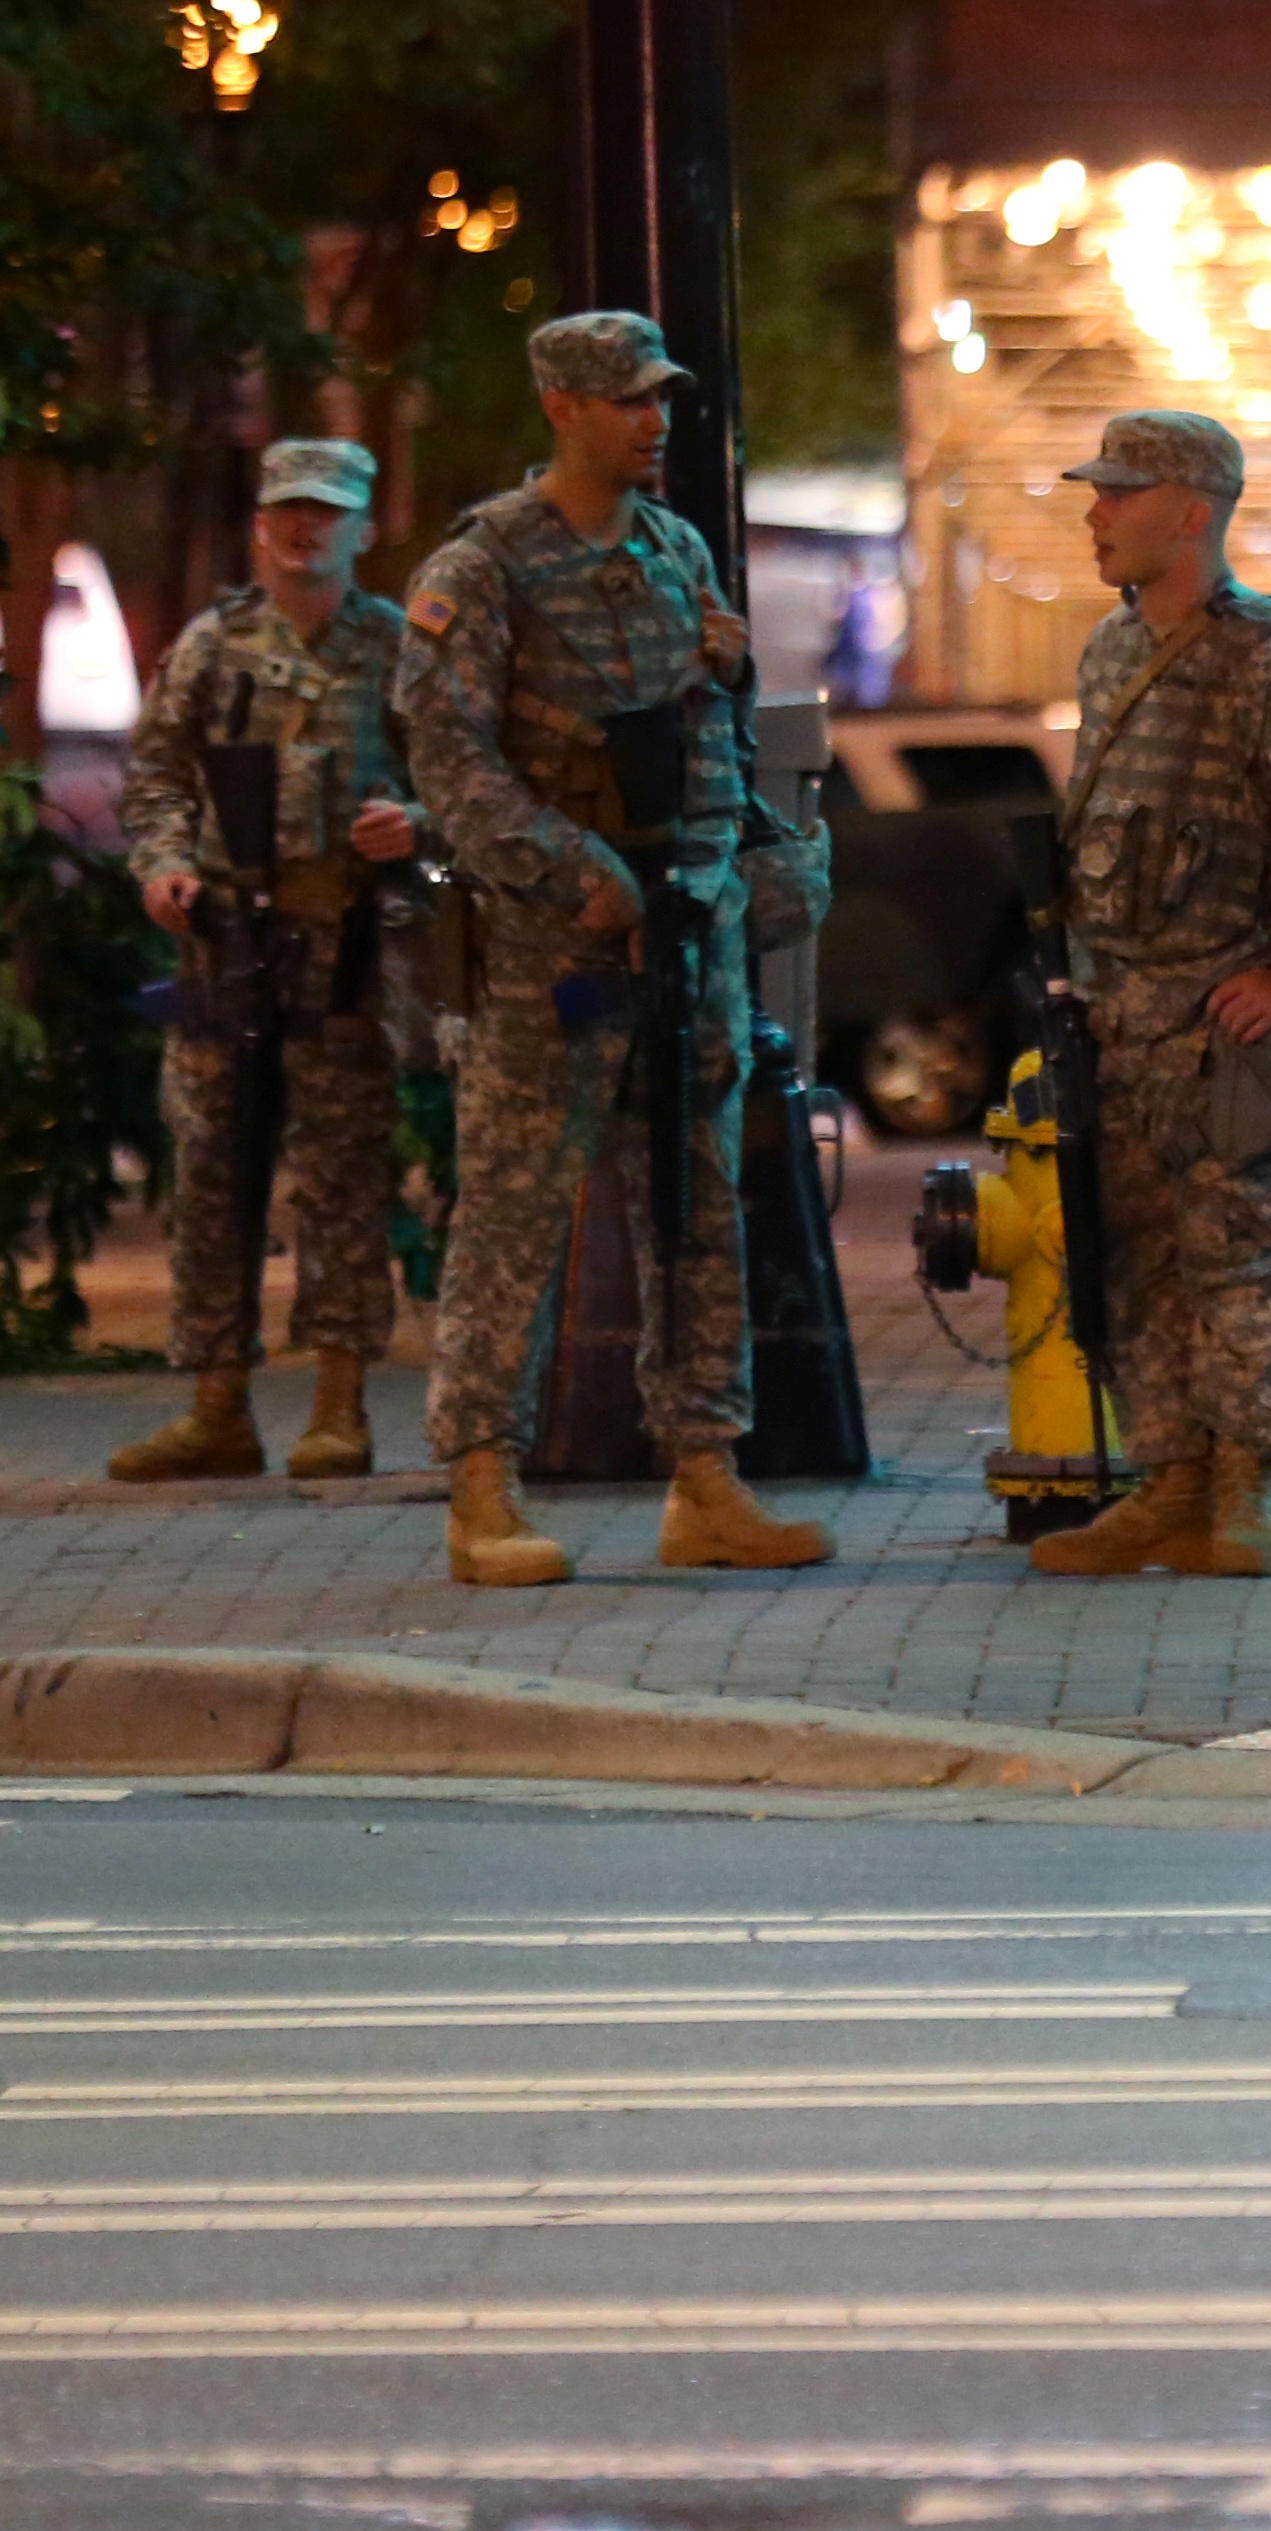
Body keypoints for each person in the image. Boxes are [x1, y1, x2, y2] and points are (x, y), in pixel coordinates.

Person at [396, 311, 833, 1586]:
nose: (655, 422)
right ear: (562, 407)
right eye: (630, 401)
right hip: (553, 946)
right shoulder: (485, 567)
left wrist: (731, 835)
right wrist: (569, 870)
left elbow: (713, 731)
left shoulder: (672, 546)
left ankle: (706, 1476)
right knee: (516, 1215)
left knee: (696, 1204)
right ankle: (482, 1486)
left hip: (685, 929)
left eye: (662, 400)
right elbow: (448, 757)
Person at [1021, 410, 1271, 1581]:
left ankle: (1244, 1487)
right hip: (1122, 1020)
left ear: (1191, 509)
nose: (1094, 512)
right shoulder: (1111, 652)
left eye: (1118, 492)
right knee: (1134, 1259)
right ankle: (1168, 1480)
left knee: (1240, 1257)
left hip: (1222, 1034)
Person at [113, 436, 421, 1485]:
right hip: (227, 939)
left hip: (345, 945)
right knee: (211, 1172)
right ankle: (216, 1406)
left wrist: (412, 822)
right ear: (260, 524)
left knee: (341, 1176)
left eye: (327, 511)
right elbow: (153, 776)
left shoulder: (398, 648)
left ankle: (338, 1405)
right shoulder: (213, 646)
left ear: (363, 528)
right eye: (289, 509)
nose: (305, 528)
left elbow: (467, 778)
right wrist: (162, 868)